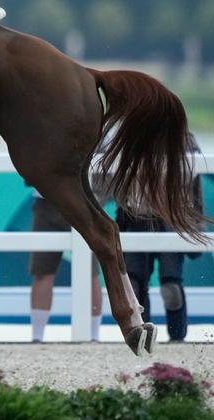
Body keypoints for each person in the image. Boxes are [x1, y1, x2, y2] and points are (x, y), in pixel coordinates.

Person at [112, 135, 203, 342]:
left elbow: (195, 186)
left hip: (171, 218)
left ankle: (177, 338)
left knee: (171, 289)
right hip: (135, 216)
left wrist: (195, 225)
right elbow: (115, 182)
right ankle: (141, 337)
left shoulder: (184, 141)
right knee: (134, 286)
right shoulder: (131, 137)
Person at [28, 189, 104, 343]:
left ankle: (94, 336)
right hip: (47, 200)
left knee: (90, 272)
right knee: (43, 271)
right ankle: (37, 337)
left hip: (83, 201)